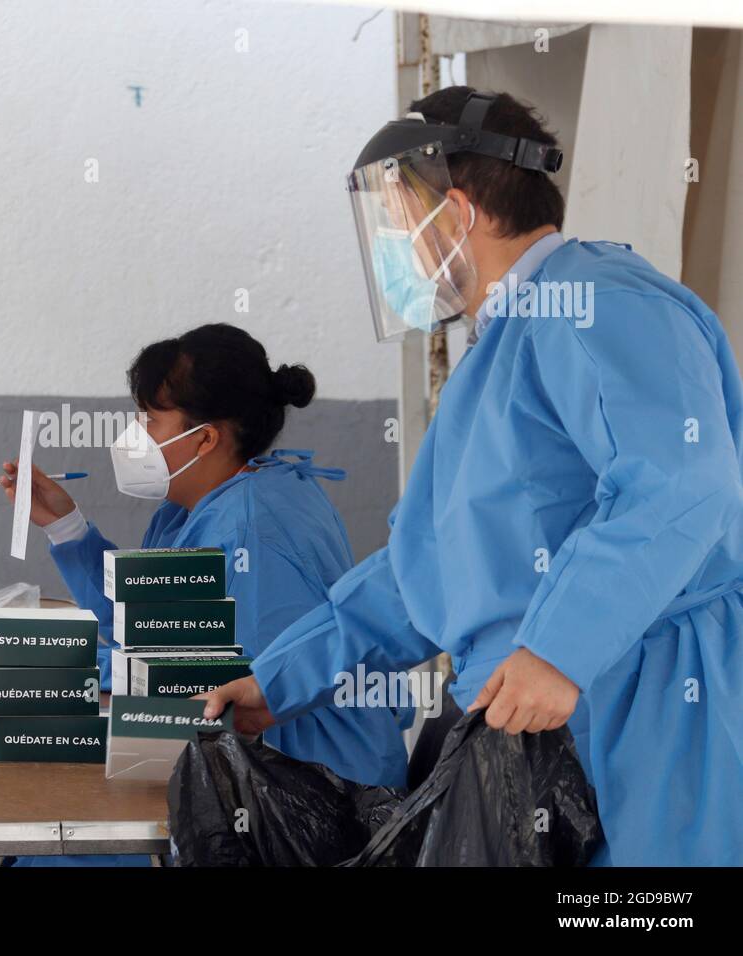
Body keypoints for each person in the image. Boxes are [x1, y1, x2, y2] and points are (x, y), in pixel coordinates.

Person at [200, 88, 743, 866]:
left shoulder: (599, 303)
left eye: (398, 222)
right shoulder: (506, 344)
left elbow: (683, 484)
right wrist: (279, 679)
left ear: (457, 210)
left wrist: (558, 650)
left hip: (647, 716)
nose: (394, 248)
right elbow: (433, 568)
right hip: (538, 735)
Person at [0, 324, 412, 866]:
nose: (134, 435)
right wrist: (68, 529)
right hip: (250, 767)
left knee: (57, 854)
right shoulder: (200, 504)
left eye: (149, 419)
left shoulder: (251, 529)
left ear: (205, 437)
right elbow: (150, 621)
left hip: (314, 794)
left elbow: (220, 683)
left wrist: (60, 665)